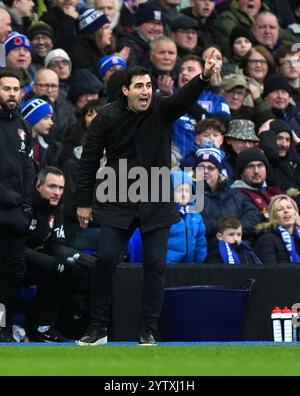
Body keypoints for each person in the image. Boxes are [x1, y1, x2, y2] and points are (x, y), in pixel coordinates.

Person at [76, 54, 219, 346]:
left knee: (155, 264)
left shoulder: (162, 108)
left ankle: (148, 329)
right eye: (139, 86)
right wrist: (83, 202)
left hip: (156, 199)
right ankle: (98, 328)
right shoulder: (106, 117)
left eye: (149, 86)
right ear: (125, 90)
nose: (145, 91)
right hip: (117, 197)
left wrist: (203, 77)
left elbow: (183, 97)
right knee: (105, 260)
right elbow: (89, 161)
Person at [24, 166, 96, 341]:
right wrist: (53, 263)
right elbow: (14, 247)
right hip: (10, 261)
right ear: (38, 185)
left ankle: (43, 328)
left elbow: (56, 244)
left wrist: (76, 257)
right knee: (12, 270)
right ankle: (5, 327)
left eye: (61, 188)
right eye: (52, 187)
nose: (57, 192)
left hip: (32, 262)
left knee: (65, 270)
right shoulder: (24, 206)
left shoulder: (56, 208)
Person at [0, 68, 35, 342]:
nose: (12, 94)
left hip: (16, 214)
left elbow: (28, 169)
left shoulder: (23, 126)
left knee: (14, 272)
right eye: (6, 89)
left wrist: (26, 205)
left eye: (16, 89)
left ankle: (4, 326)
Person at [166, 170, 207, 264]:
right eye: (179, 190)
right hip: (168, 267)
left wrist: (200, 263)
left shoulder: (196, 216)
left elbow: (201, 243)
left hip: (190, 266)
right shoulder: (164, 215)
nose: (184, 194)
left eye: (187, 190)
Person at [254, 194, 300, 264]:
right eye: (280, 209)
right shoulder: (266, 240)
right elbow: (269, 272)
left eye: (289, 207)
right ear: (273, 217)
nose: (286, 211)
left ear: (295, 213)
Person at [20, 97, 62, 172]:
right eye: (46, 118)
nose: (51, 123)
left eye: (51, 118)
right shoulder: (18, 144)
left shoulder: (47, 145)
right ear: (32, 119)